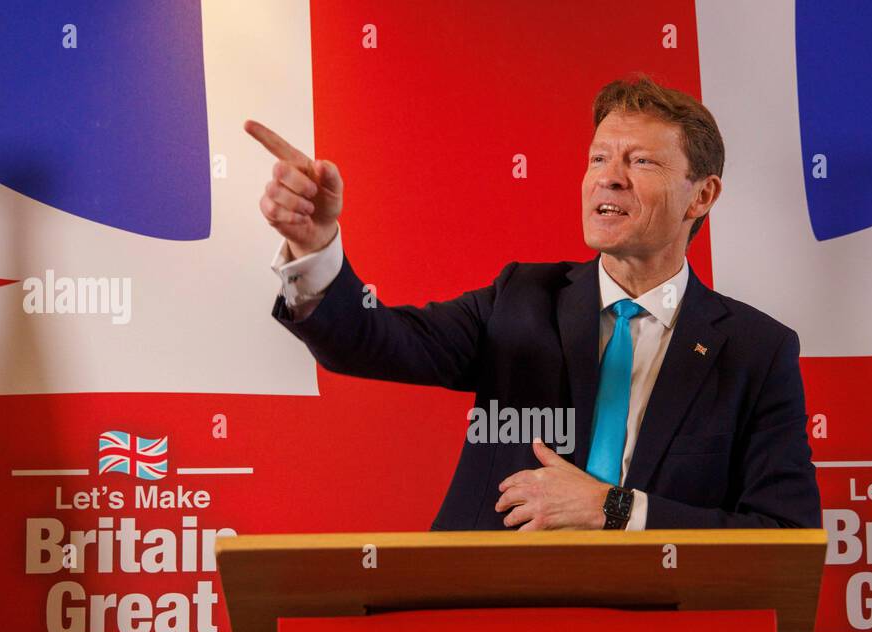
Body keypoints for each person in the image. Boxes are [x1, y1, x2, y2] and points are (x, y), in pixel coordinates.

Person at [246, 74, 821, 531]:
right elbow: (368, 342)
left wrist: (615, 511)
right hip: (495, 619)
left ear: (703, 194)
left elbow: (785, 532)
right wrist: (315, 245)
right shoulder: (520, 300)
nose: (609, 179)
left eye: (640, 162)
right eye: (599, 159)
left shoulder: (755, 351)